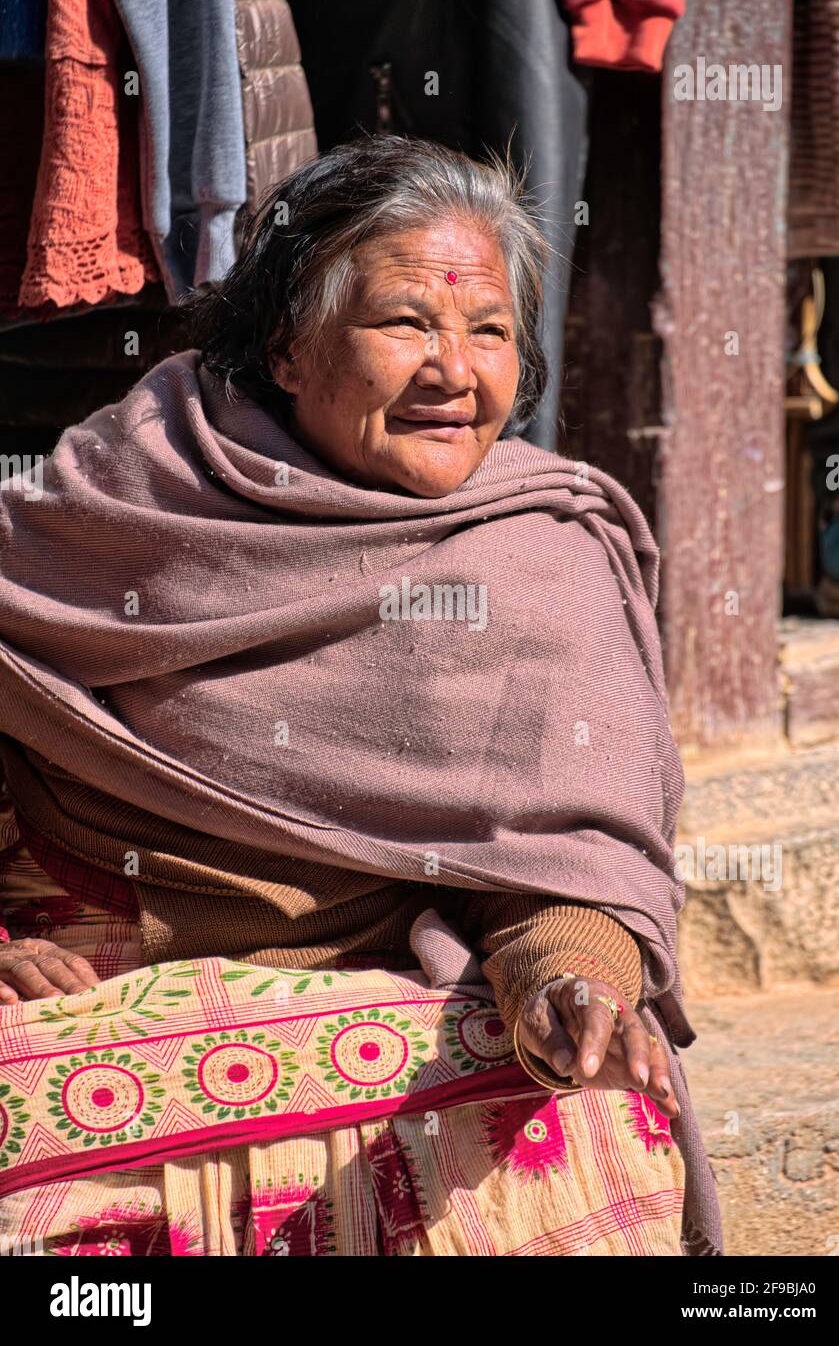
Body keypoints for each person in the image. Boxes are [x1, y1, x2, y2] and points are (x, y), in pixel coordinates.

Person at [0, 136, 721, 1256]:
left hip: (384, 980)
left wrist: (570, 980)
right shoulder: (120, 492)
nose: (454, 372)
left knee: (585, 1103)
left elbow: (558, 858)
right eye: (404, 324)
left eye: (488, 331)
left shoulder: (537, 553)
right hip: (82, 958)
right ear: (287, 350)